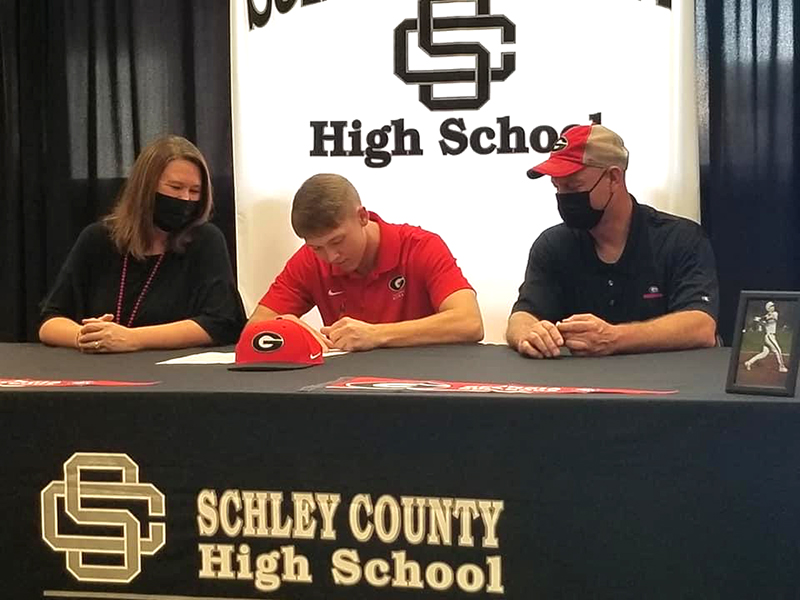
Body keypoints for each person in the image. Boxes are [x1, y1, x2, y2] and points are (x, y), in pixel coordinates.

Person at [506, 123, 719, 358]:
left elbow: (701, 327)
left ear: (614, 178)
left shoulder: (679, 239)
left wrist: (614, 338)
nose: (564, 197)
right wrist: (529, 334)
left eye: (573, 186)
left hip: (666, 378)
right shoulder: (553, 245)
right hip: (579, 380)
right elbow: (522, 315)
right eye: (557, 187)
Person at [39, 135, 246, 352]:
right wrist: (88, 337)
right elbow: (50, 320)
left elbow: (221, 323)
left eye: (194, 191)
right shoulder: (97, 238)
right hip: (101, 366)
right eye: (176, 187)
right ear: (145, 188)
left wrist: (133, 338)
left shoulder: (205, 240)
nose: (186, 199)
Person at [248, 173, 483, 351]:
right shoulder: (309, 260)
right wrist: (287, 326)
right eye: (317, 247)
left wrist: (376, 335)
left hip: (423, 384)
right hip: (344, 389)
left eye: (337, 241)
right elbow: (254, 329)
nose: (331, 256)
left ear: (362, 216)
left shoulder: (421, 247)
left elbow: (469, 322)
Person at [744, 301, 788, 372]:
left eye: (773, 306)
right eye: (771, 306)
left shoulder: (775, 313)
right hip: (769, 336)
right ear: (768, 308)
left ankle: (749, 362)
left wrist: (759, 319)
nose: (773, 307)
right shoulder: (766, 316)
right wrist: (759, 321)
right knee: (778, 350)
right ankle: (781, 367)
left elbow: (770, 318)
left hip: (771, 336)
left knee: (764, 353)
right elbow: (765, 322)